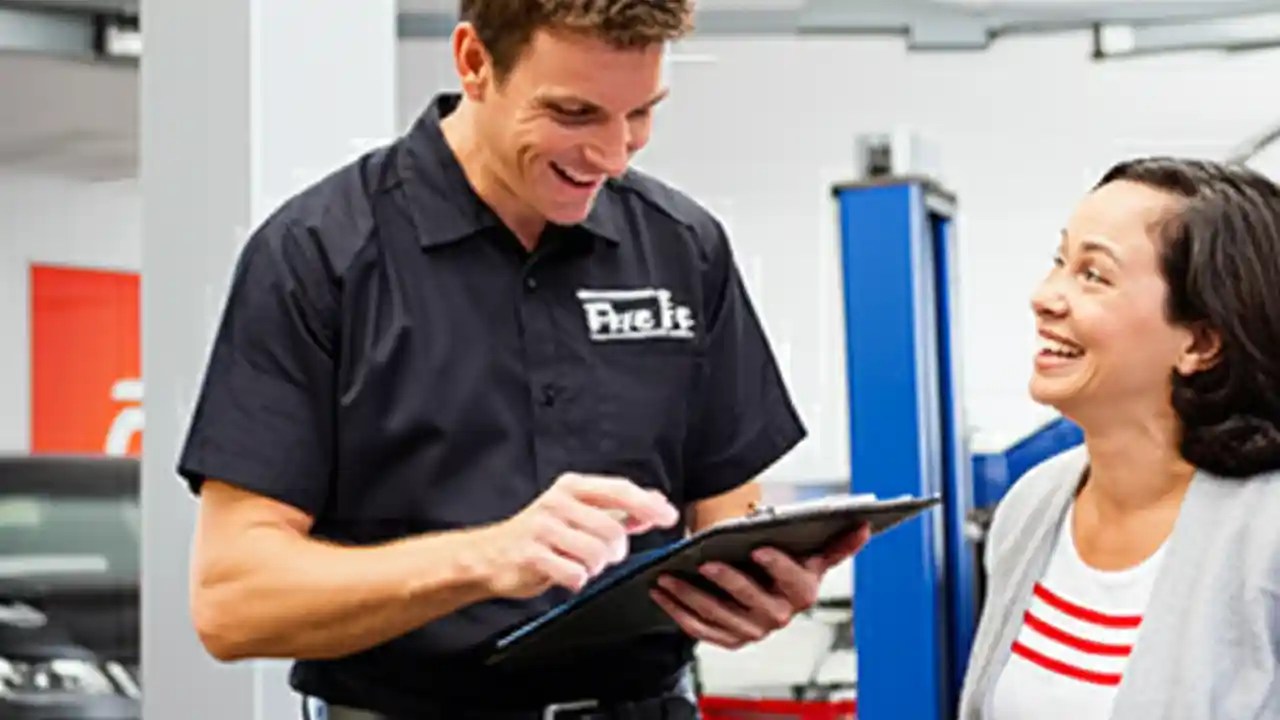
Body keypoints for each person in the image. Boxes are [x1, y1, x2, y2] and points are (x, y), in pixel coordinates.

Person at [176, 2, 869, 718]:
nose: (613, 154)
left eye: (640, 113)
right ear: (475, 62)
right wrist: (488, 560)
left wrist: (758, 590)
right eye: (573, 113)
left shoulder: (683, 247)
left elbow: (730, 514)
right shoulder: (319, 256)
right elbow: (233, 602)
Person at [958, 157, 1280, 719]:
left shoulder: (1266, 533)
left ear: (1200, 343)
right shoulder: (1032, 508)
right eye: (1060, 261)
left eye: (1093, 275)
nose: (1045, 296)